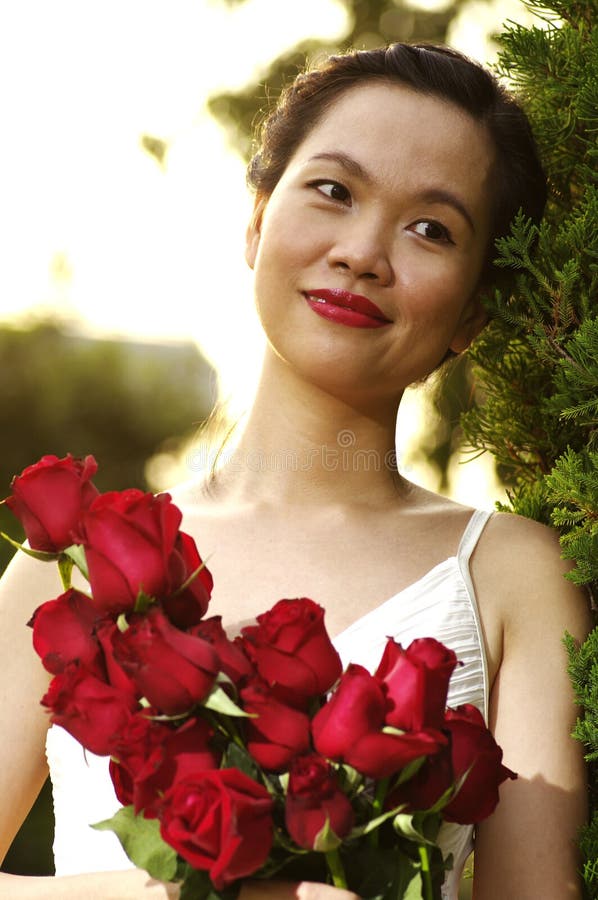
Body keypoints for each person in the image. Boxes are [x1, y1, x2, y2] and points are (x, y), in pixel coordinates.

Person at [0, 42, 591, 900]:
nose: (363, 252)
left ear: (471, 315)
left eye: (432, 229)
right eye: (335, 191)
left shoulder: (513, 577)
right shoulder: (77, 567)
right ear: (256, 218)